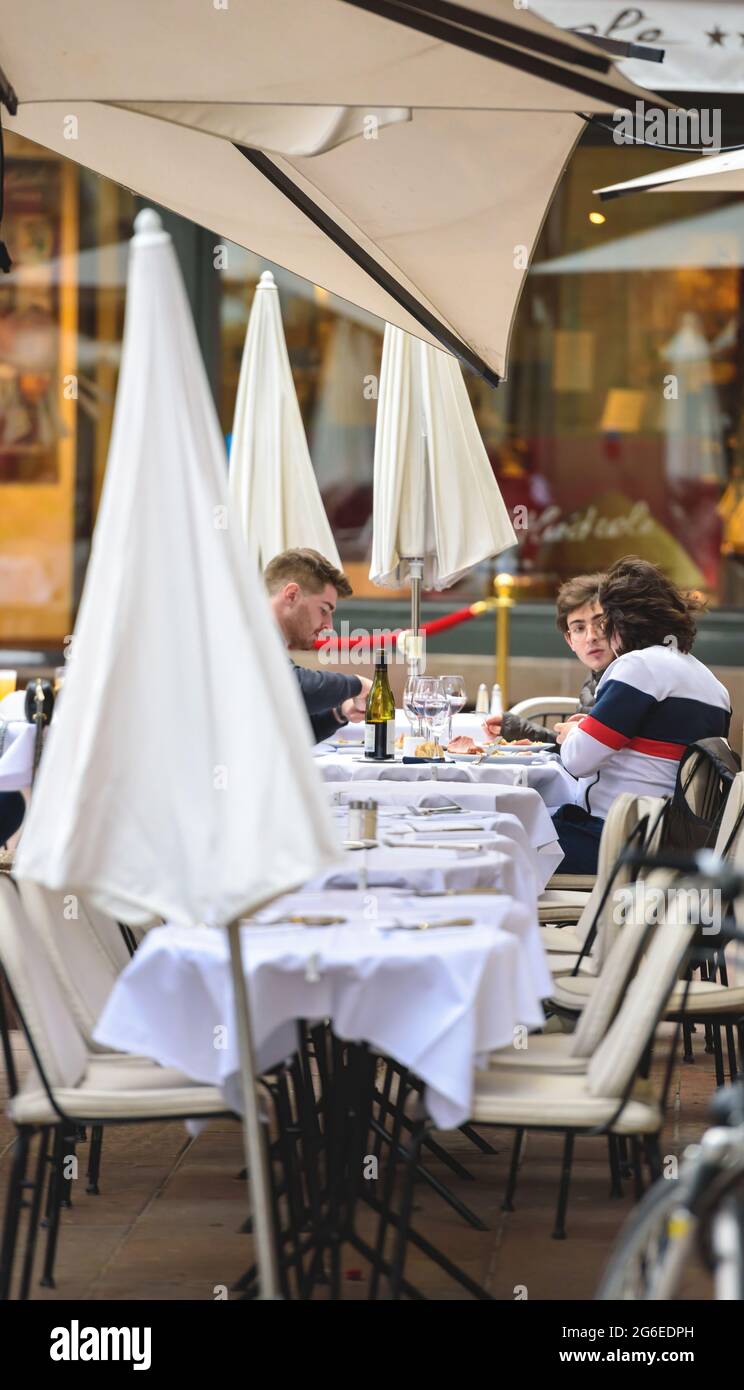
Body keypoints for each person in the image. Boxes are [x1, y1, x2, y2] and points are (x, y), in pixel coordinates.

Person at [553, 557, 731, 874]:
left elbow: (578, 761)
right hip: (673, 845)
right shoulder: (714, 686)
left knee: (504, 833)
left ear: (622, 623)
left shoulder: (639, 667)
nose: (600, 633)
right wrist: (590, 730)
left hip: (617, 840)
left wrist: (573, 735)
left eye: (606, 622)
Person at [482, 572, 611, 744]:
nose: (591, 637)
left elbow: (588, 757)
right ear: (569, 640)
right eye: (579, 628)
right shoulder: (593, 680)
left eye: (600, 623)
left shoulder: (629, 679)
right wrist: (516, 729)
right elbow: (573, 751)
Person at [265, 548, 372, 744]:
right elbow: (293, 686)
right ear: (291, 595)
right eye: (323, 610)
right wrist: (357, 684)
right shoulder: (246, 631)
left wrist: (339, 713)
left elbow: (289, 733)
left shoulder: (265, 637)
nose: (329, 626)